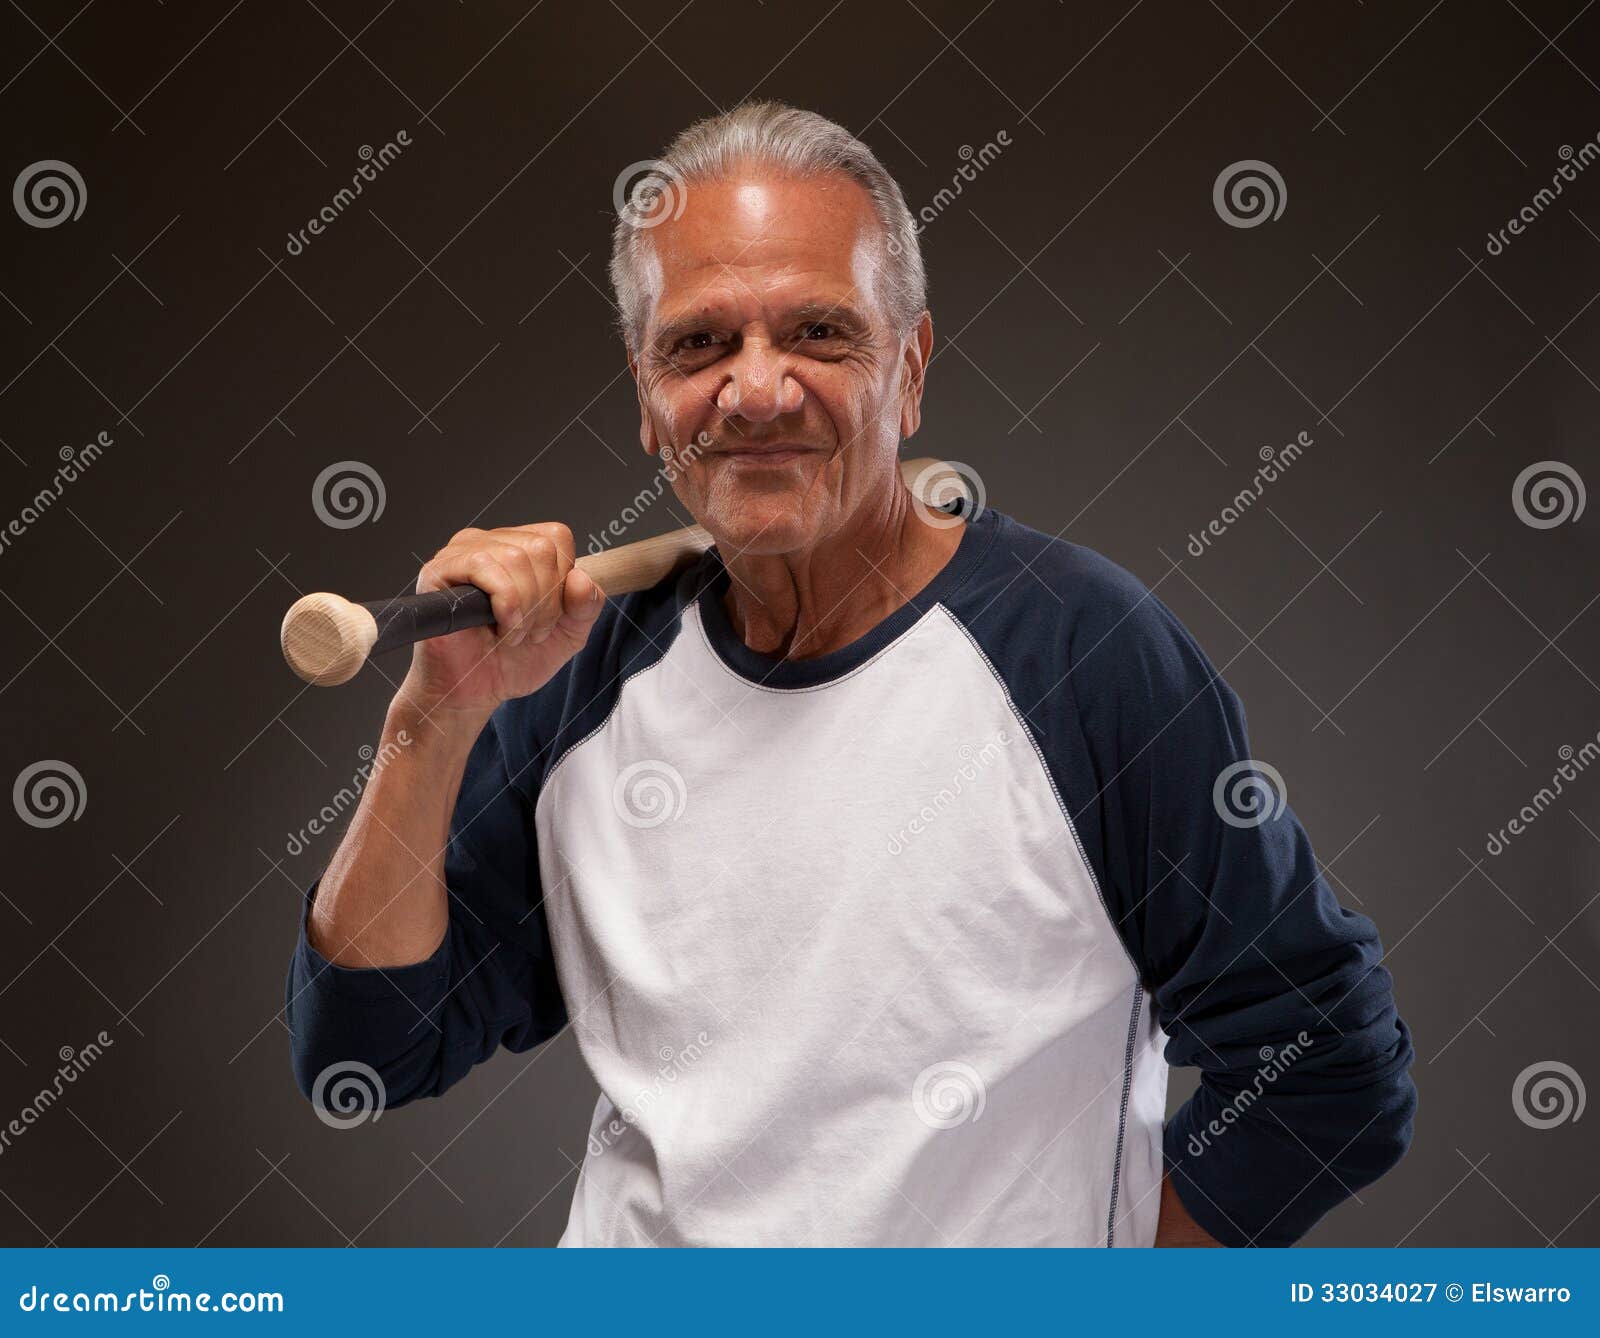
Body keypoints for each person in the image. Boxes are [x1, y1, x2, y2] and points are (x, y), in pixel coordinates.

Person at [286, 101, 1415, 1247]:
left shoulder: (1081, 656)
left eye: (818, 333)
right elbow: (364, 1052)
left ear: (910, 369)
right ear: (646, 397)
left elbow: (1324, 1069)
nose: (757, 390)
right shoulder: (581, 675)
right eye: (700, 344)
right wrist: (436, 715)